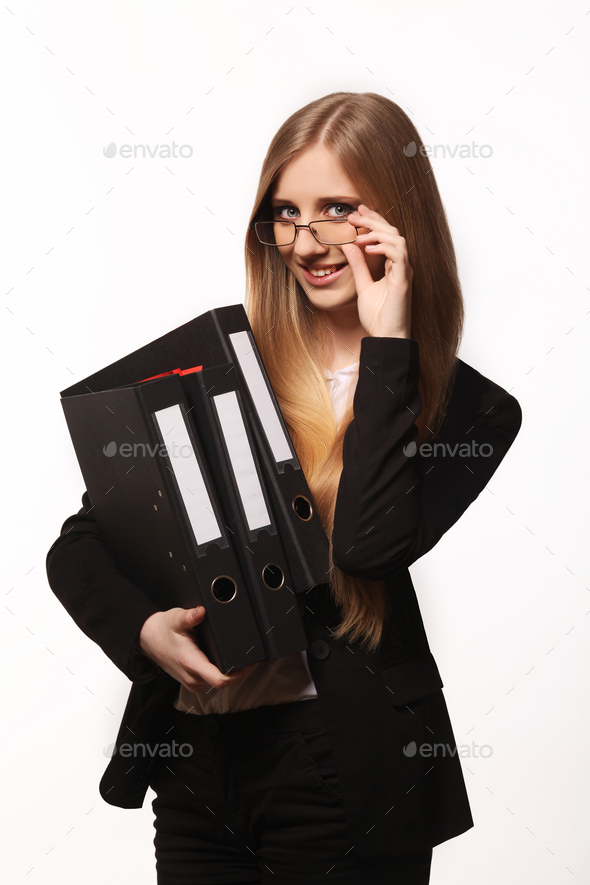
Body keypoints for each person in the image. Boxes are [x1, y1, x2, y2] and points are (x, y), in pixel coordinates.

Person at [46, 91, 522, 884]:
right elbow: (84, 542)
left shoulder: (466, 406)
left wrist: (388, 344)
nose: (306, 241)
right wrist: (143, 632)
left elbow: (368, 548)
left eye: (337, 207)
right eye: (286, 212)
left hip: (344, 767)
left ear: (397, 218)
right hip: (201, 763)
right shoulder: (226, 361)